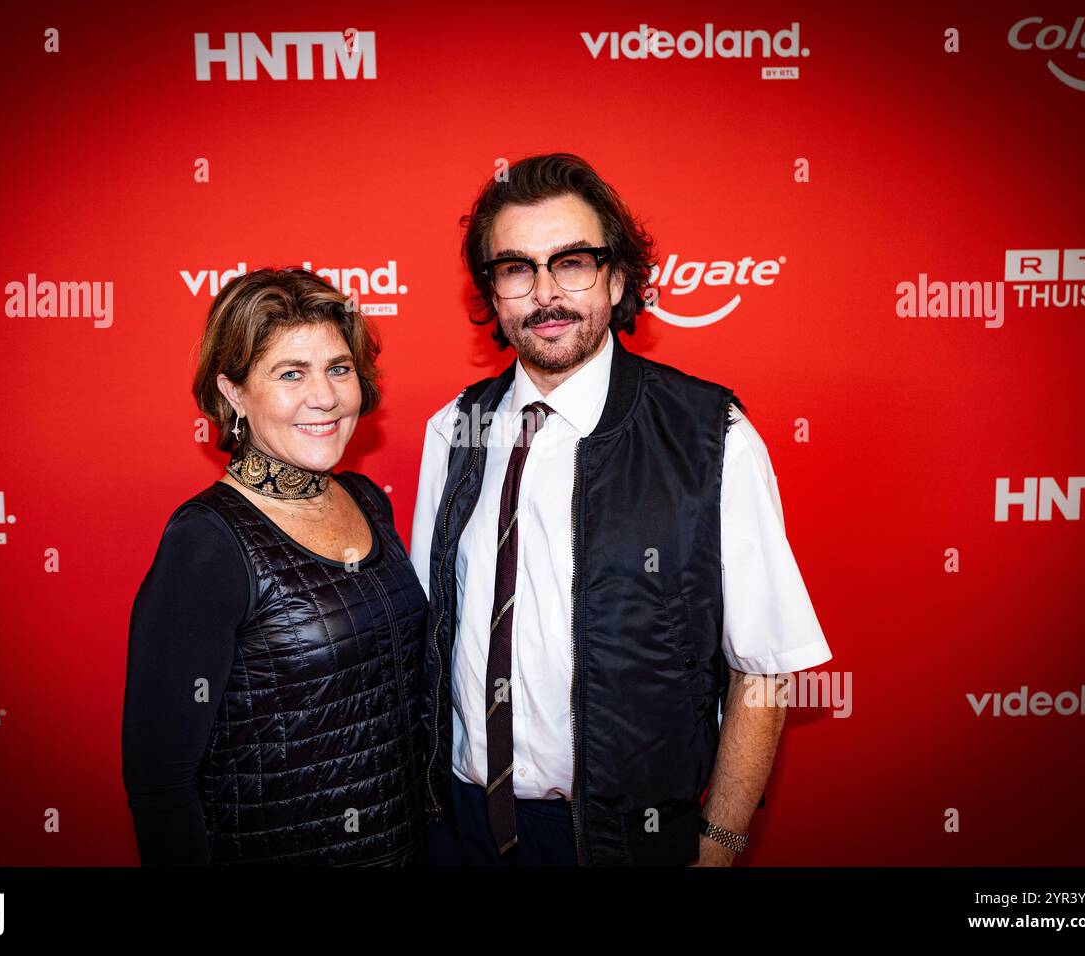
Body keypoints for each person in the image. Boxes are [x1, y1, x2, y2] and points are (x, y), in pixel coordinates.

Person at [411, 153, 833, 866]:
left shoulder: (711, 433)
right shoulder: (453, 429)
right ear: (492, 291)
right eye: (516, 269)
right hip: (462, 832)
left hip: (624, 845)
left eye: (571, 262)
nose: (545, 293)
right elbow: (427, 636)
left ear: (615, 277)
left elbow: (762, 667)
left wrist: (720, 846)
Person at [123, 268, 427, 865]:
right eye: (291, 374)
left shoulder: (367, 499)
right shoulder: (206, 543)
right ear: (234, 393)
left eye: (338, 369)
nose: (325, 396)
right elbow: (160, 782)